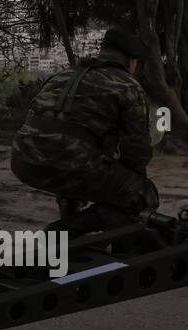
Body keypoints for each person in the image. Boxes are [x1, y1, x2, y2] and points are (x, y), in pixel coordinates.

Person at [10, 26, 159, 234]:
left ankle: (71, 232)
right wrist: (131, 189)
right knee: (143, 195)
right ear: (131, 61)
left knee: (77, 159)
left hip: (22, 161)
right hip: (68, 165)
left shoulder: (63, 75)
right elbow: (137, 153)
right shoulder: (127, 86)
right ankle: (65, 231)